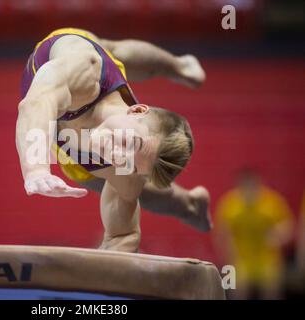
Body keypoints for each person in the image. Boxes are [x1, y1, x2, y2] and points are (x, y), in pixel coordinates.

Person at [16, 28, 211, 253]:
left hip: (74, 154)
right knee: (112, 50)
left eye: (132, 162)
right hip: (71, 67)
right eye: (131, 143)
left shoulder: (124, 168)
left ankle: (190, 206)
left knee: (139, 190)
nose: (118, 155)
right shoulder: (84, 71)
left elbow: (122, 236)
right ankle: (180, 66)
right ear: (136, 110)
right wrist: (37, 169)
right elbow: (36, 104)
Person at [215, 169, 294, 299]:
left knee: (271, 285)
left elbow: (288, 226)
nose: (249, 193)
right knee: (233, 282)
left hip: (266, 257)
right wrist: (228, 254)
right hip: (241, 258)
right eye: (245, 189)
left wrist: (277, 235)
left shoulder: (271, 202)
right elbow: (221, 234)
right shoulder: (230, 205)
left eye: (252, 188)